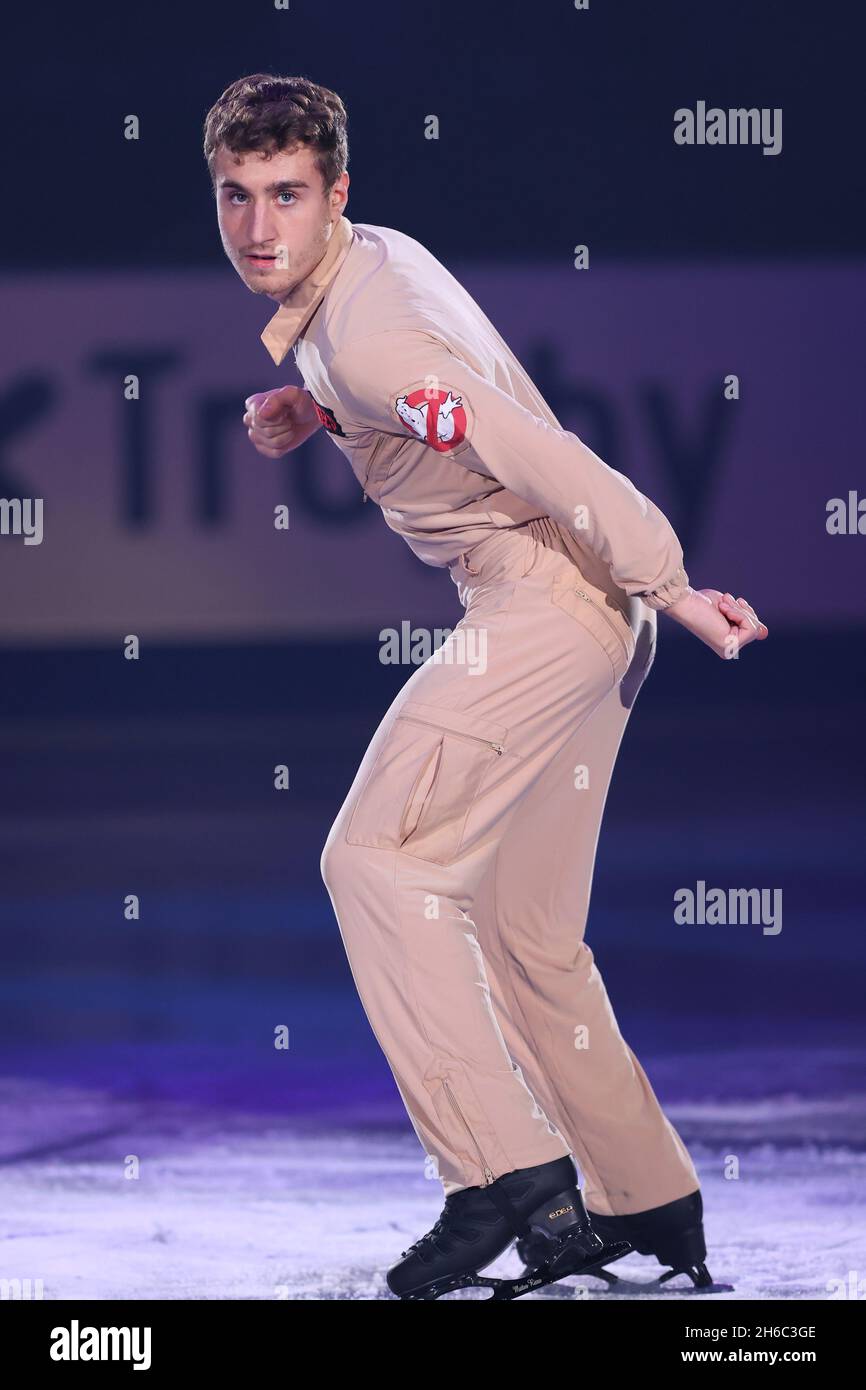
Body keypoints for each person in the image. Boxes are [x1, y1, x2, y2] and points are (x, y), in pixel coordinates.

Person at [204, 73, 767, 1300]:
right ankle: (644, 1196)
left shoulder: (367, 334)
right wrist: (321, 405)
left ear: (334, 192)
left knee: (373, 858)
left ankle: (500, 1175)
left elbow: (522, 444)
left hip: (548, 600)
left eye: (286, 196)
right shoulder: (368, 270)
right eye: (236, 197)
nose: (258, 227)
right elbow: (425, 379)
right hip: (581, 609)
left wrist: (667, 577)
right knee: (521, 931)